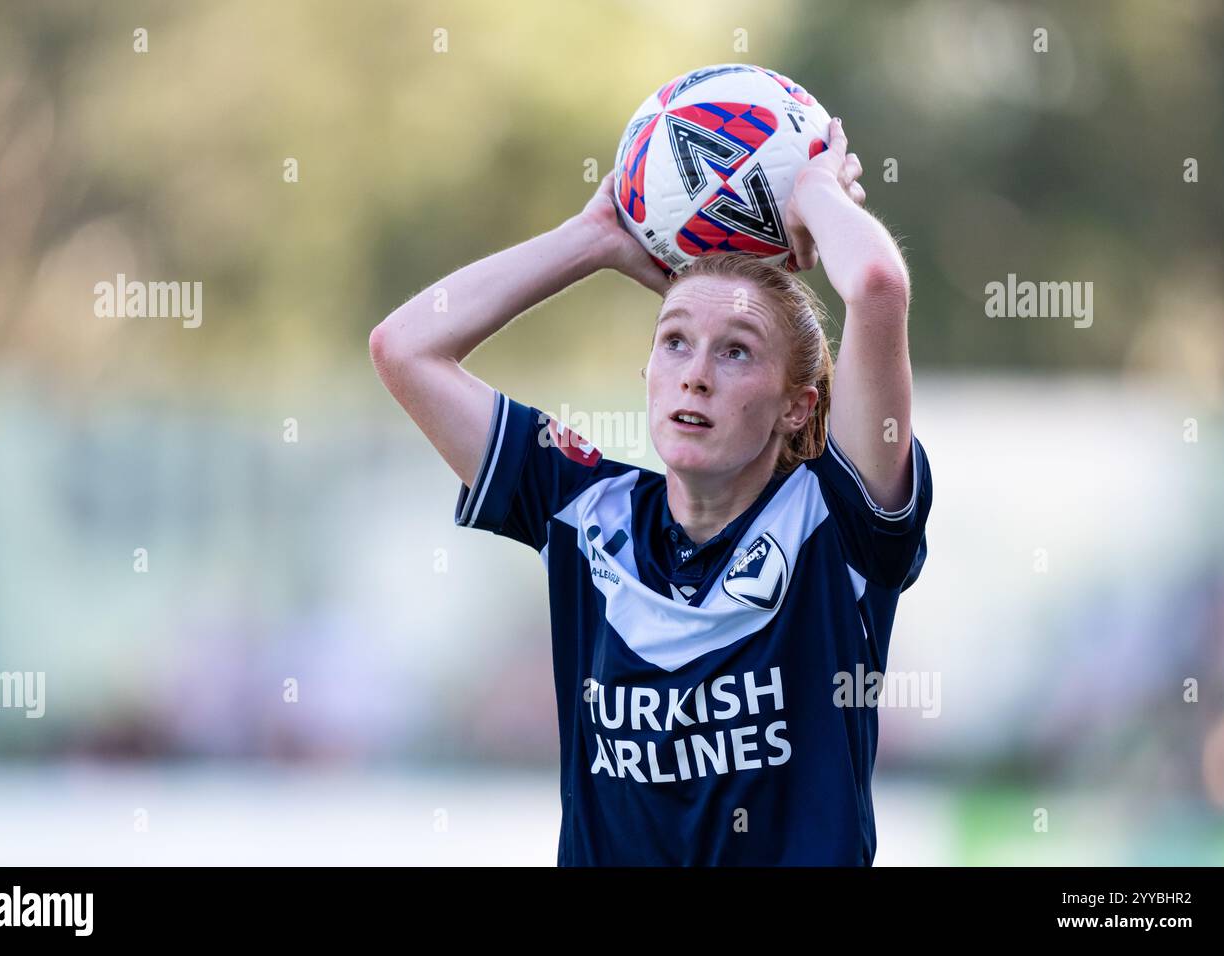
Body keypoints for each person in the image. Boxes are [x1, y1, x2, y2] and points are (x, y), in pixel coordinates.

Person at [370, 117, 932, 865]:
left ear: (797, 404)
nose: (695, 373)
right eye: (674, 341)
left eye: (736, 351)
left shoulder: (840, 519)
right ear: (648, 374)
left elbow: (877, 286)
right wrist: (593, 236)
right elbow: (405, 347)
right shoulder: (581, 507)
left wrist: (816, 190)